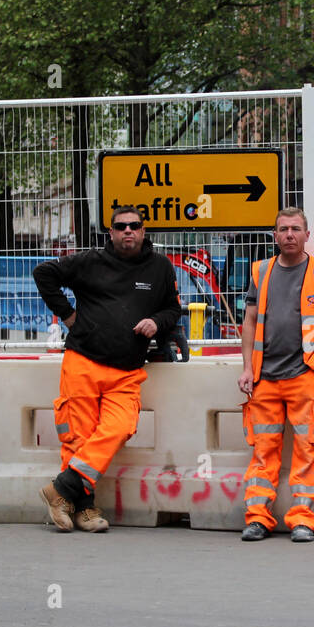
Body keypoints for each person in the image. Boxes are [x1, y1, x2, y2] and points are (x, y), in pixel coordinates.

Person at [33, 205, 181, 532]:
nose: (128, 231)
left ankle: (59, 490)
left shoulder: (160, 268)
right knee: (78, 438)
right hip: (83, 361)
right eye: (121, 226)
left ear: (144, 231)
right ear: (111, 233)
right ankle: (84, 509)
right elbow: (43, 274)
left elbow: (173, 309)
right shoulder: (89, 262)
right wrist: (69, 316)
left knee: (121, 427)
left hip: (127, 372)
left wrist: (157, 322)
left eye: (134, 226)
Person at [237, 207, 314, 543]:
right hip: (265, 377)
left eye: (295, 229)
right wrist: (246, 368)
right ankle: (257, 518)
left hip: (304, 375)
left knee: (308, 449)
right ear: (275, 235)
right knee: (263, 451)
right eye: (283, 229)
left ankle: (303, 520)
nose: (289, 235)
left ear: (306, 234)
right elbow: (250, 321)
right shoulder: (262, 272)